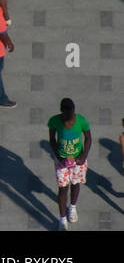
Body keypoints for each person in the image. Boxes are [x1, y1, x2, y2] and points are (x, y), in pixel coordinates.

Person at [49, 98, 92, 230]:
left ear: (74, 111)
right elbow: (52, 139)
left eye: (71, 114)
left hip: (78, 160)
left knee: (75, 183)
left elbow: (88, 138)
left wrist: (83, 157)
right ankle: (62, 220)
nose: (69, 119)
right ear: (61, 112)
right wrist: (58, 157)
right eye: (66, 115)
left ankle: (72, 207)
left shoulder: (81, 121)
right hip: (62, 160)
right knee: (63, 189)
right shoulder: (54, 121)